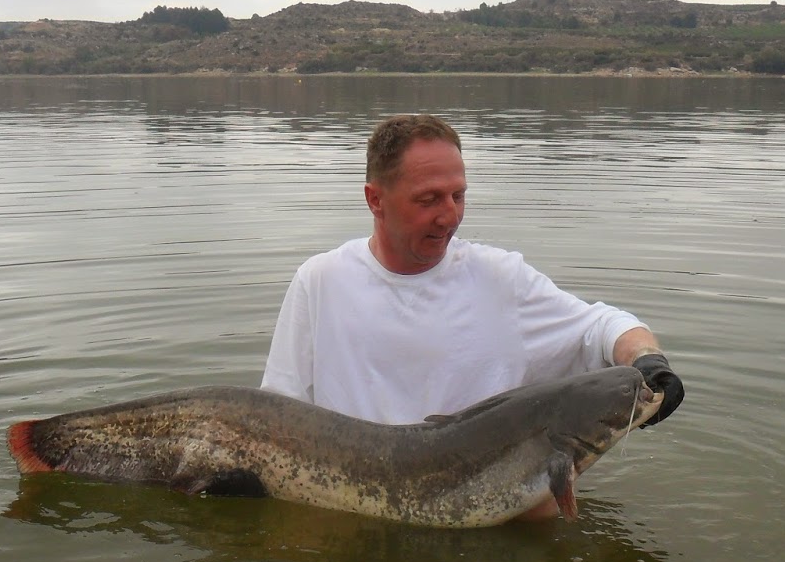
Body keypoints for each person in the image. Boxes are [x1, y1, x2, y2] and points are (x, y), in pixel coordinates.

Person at [261, 112, 684, 438]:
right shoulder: (320, 281)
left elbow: (602, 327)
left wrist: (648, 361)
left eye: (458, 195)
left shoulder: (500, 279)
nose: (449, 215)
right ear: (375, 199)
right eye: (428, 199)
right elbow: (278, 415)